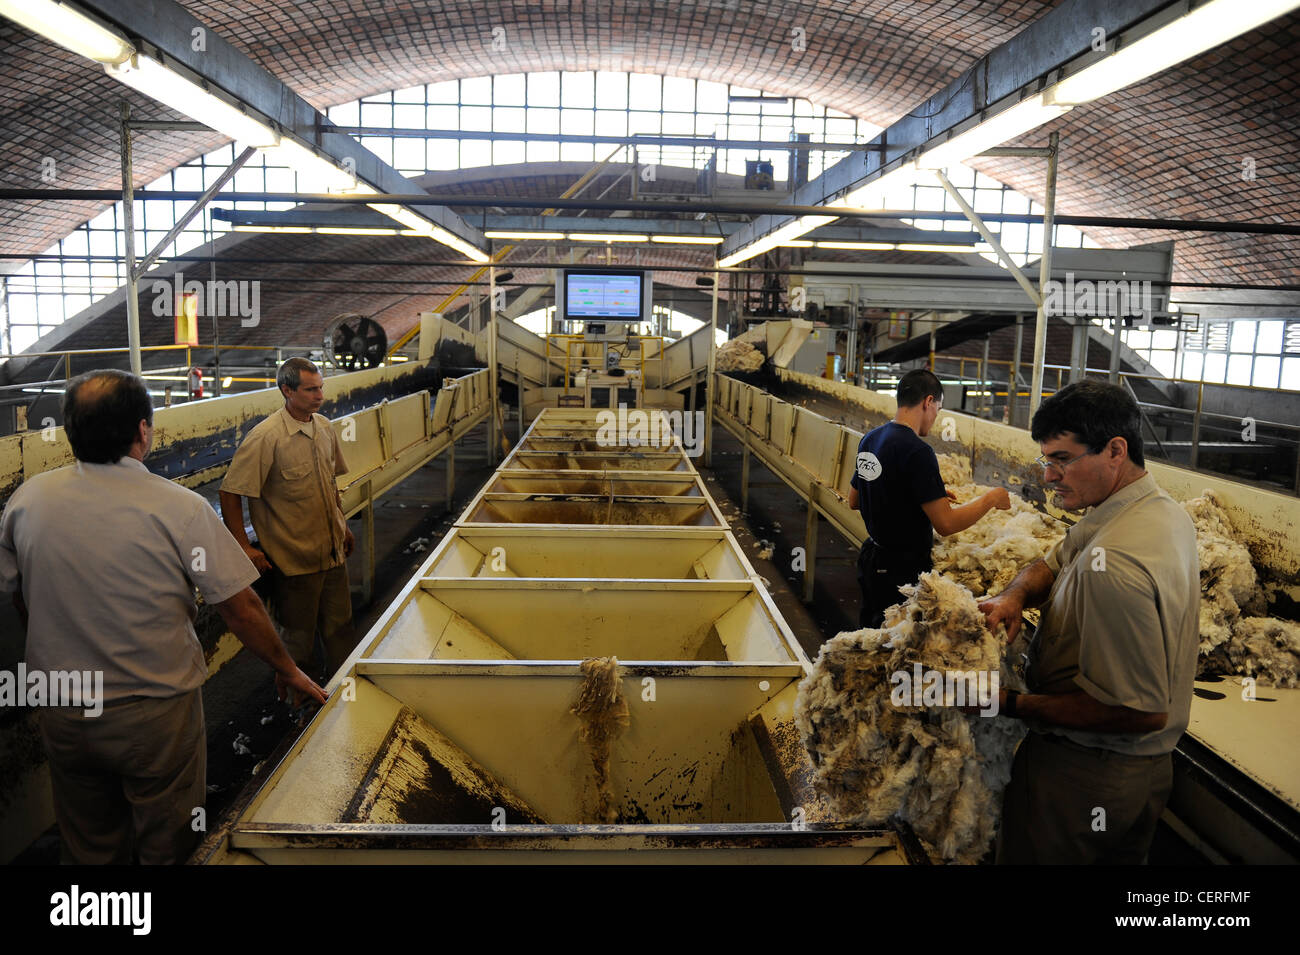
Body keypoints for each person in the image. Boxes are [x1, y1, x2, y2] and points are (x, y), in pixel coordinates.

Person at [0, 369, 326, 865]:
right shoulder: (179, 508)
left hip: (63, 709)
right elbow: (239, 608)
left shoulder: (27, 501)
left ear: (69, 431)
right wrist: (287, 668)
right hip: (152, 711)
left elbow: (19, 593)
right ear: (143, 431)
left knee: (88, 842)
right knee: (167, 840)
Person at [980, 379, 1199, 864]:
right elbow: (1055, 561)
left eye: (1062, 459)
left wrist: (1009, 703)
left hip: (1088, 776)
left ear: (1115, 450)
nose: (1049, 476)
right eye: (1045, 461)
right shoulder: (1150, 511)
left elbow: (1138, 712)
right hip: (1123, 772)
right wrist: (1013, 596)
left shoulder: (1117, 561)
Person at [220, 357, 355, 684]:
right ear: (286, 390)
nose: (319, 395)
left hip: (333, 555)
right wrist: (243, 546)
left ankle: (343, 696)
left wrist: (343, 525)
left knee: (341, 632)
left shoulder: (323, 427)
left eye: (320, 387)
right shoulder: (267, 437)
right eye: (310, 390)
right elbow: (230, 492)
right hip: (294, 563)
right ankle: (302, 710)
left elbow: (329, 483)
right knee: (298, 643)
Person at [848, 368, 1010, 628]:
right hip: (901, 572)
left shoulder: (871, 439)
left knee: (870, 636)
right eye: (938, 409)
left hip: (871, 560)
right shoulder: (918, 451)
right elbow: (946, 525)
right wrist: (990, 499)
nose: (936, 417)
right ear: (928, 402)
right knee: (898, 646)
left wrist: (921, 494)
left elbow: (855, 500)